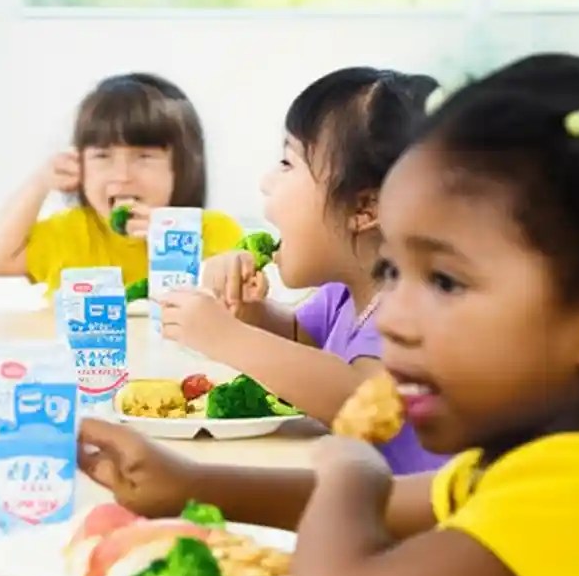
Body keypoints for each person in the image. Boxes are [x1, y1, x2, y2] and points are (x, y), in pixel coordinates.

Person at [79, 54, 579, 576]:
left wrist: (348, 466)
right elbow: (393, 503)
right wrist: (187, 484)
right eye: (392, 273)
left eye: (447, 282)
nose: (393, 317)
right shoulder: (524, 463)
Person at [167, 68, 444, 474]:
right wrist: (251, 311)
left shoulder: (411, 310)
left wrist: (227, 338)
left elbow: (357, 395)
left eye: (286, 162)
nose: (266, 181)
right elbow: (301, 344)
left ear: (365, 208)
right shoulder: (345, 294)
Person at [0, 72, 245, 295]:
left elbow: (232, 296)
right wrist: (39, 183)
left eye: (144, 157)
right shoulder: (72, 233)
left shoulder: (214, 231)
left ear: (183, 167)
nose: (122, 175)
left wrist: (172, 244)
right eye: (102, 156)